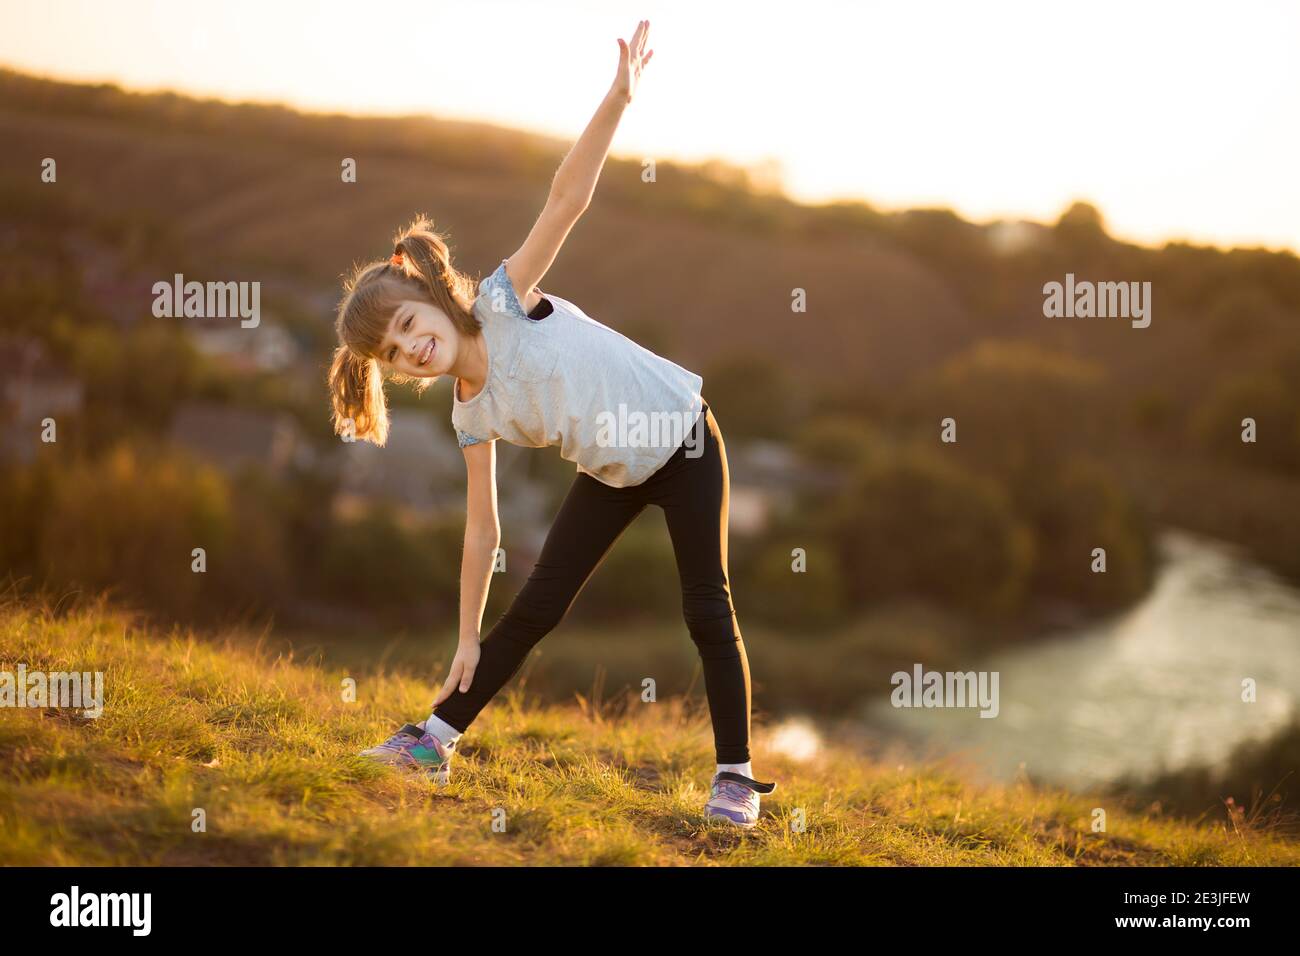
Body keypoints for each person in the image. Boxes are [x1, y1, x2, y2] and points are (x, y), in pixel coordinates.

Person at [326, 20, 775, 827]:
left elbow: (567, 194)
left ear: (428, 292)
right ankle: (432, 742)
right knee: (534, 607)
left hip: (684, 435)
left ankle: (736, 779)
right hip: (609, 470)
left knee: (706, 605)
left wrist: (617, 99)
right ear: (394, 371)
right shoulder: (472, 413)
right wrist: (466, 636)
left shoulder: (502, 300)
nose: (410, 347)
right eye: (394, 352)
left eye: (407, 323)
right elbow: (481, 533)